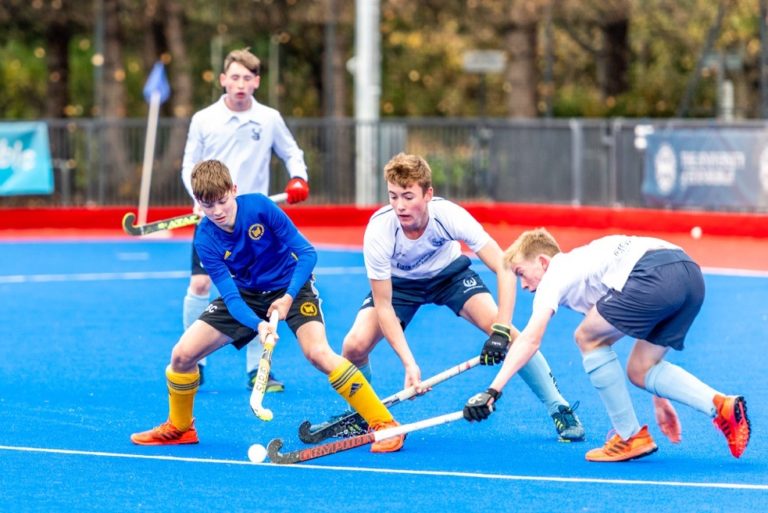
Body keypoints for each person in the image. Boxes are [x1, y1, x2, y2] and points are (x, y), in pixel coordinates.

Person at [131, 160, 404, 453]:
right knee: (182, 355)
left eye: (223, 201)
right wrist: (259, 325)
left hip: (293, 288)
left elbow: (307, 254)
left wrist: (287, 298)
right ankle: (180, 427)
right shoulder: (205, 238)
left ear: (233, 190)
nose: (218, 212)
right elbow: (231, 297)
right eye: (208, 206)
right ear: (198, 203)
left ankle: (385, 424)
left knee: (318, 353)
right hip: (247, 295)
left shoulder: (260, 207)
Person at [336, 153, 584, 442]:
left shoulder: (449, 216)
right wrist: (409, 363)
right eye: (393, 197)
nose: (400, 206)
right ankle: (364, 416)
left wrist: (501, 329)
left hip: (449, 277)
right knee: (353, 346)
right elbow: (384, 304)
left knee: (515, 337)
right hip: (401, 286)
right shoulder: (379, 231)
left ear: (428, 194)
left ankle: (560, 408)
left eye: (408, 196)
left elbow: (503, 266)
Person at [463, 228, 751, 462]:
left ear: (542, 262)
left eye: (521, 273)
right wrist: (659, 397)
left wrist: (493, 390)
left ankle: (629, 436)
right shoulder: (588, 273)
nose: (523, 285)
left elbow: (530, 339)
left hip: (652, 273)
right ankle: (722, 406)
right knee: (641, 370)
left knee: (585, 337)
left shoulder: (557, 273)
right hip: (689, 275)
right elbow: (645, 317)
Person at [180, 47, 310, 391]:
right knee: (199, 284)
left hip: (257, 222)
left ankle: (258, 371)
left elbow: (292, 152)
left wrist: (299, 177)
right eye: (234, 77)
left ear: (256, 82)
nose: (240, 84)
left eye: (247, 78)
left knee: (259, 288)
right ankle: (196, 362)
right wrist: (198, 199)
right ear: (223, 80)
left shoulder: (268, 118)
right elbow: (188, 164)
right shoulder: (204, 119)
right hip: (213, 215)